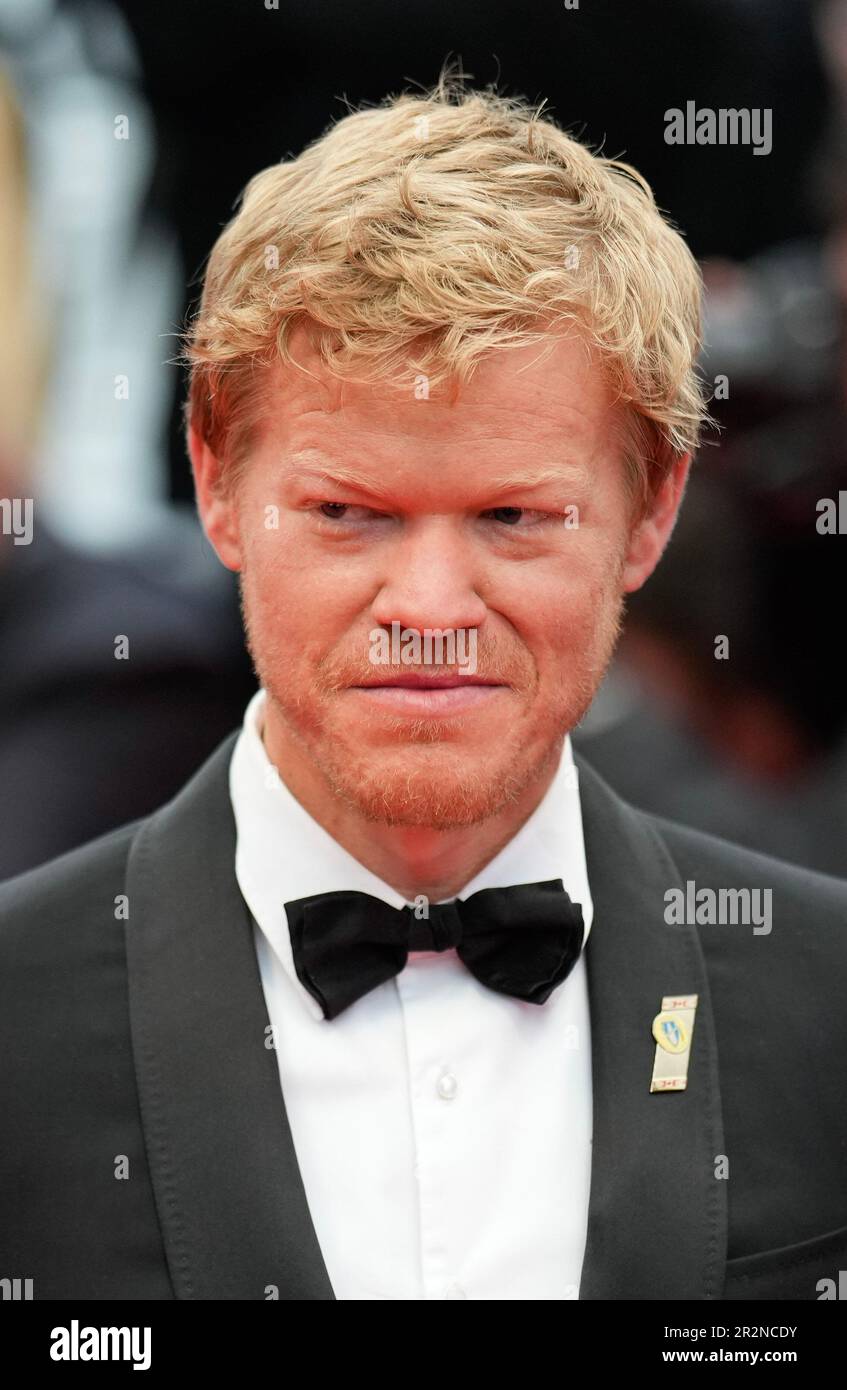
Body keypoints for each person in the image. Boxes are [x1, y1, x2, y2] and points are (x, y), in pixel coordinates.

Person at [1, 75, 845, 1302]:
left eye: (513, 516)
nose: (431, 608)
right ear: (214, 477)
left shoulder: (827, 1006)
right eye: (350, 514)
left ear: (650, 510)